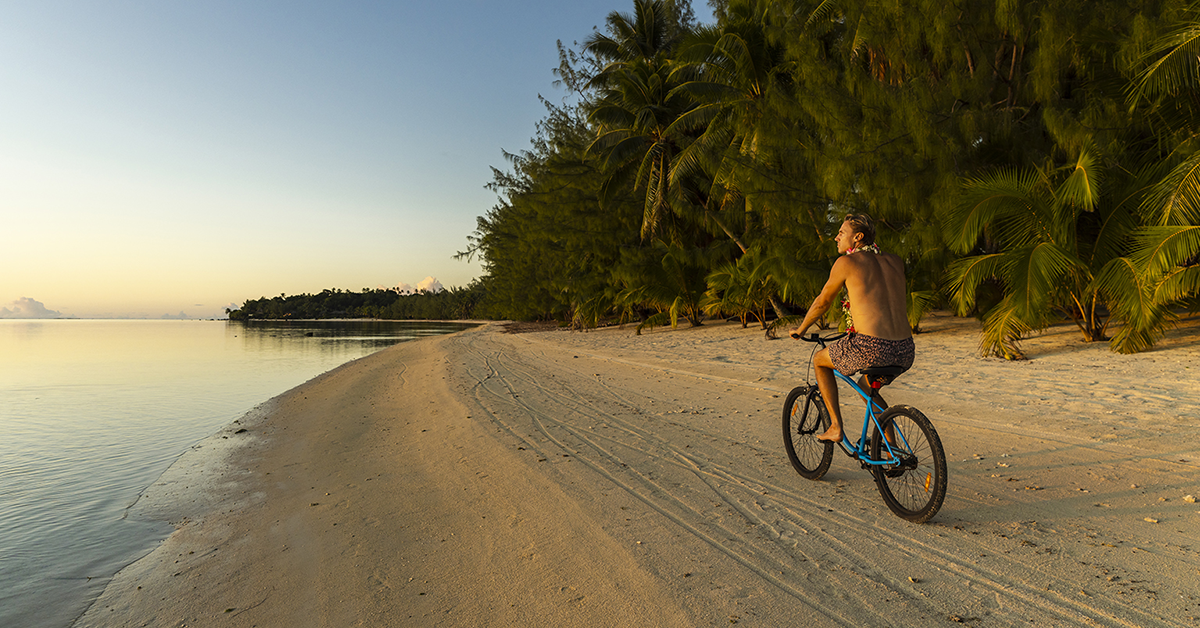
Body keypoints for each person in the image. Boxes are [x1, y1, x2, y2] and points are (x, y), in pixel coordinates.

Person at [789, 214, 914, 443]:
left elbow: (823, 302)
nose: (836, 238)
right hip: (905, 349)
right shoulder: (895, 261)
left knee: (819, 360)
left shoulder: (846, 263)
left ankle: (836, 427)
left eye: (841, 233)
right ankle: (891, 448)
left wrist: (802, 329)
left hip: (871, 347)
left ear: (858, 237)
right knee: (867, 390)